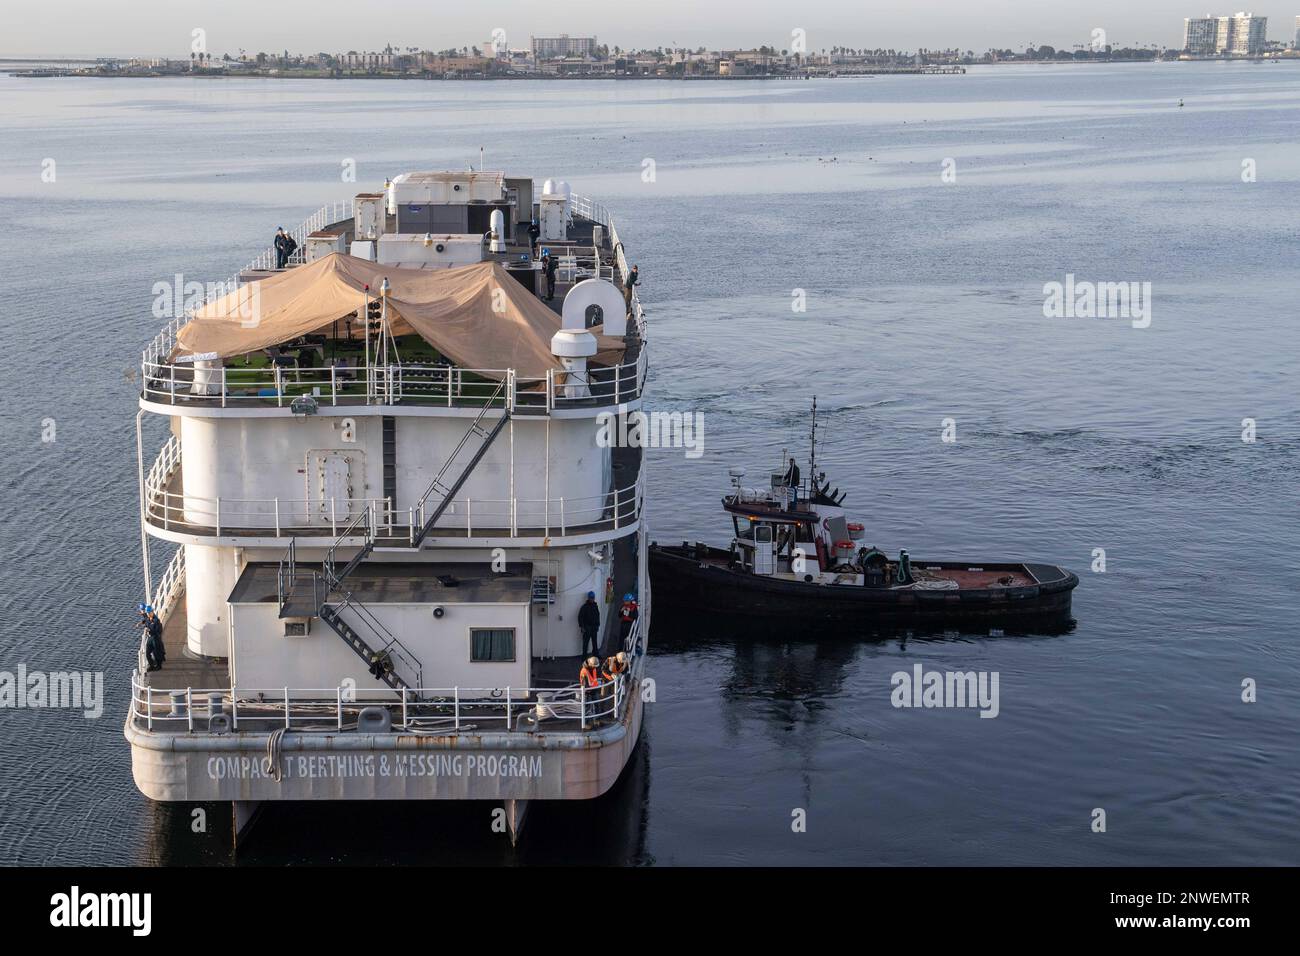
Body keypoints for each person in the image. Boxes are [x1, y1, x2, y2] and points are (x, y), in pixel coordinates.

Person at [578, 590, 601, 659]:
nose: (592, 599)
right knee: (585, 643)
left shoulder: (595, 606)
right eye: (591, 598)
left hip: (594, 627)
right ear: (588, 598)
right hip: (587, 627)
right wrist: (582, 627)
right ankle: (584, 657)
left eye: (593, 598)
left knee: (594, 642)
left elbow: (597, 615)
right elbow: (580, 617)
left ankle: (595, 654)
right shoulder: (584, 607)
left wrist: (597, 625)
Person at [143, 606, 165, 672]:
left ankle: (159, 666)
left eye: (149, 612)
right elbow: (146, 623)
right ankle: (151, 665)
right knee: (147, 653)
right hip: (150, 638)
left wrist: (150, 630)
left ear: (152, 612)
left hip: (155, 638)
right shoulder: (147, 619)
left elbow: (158, 631)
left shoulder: (156, 621)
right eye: (147, 612)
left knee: (156, 653)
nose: (148, 614)